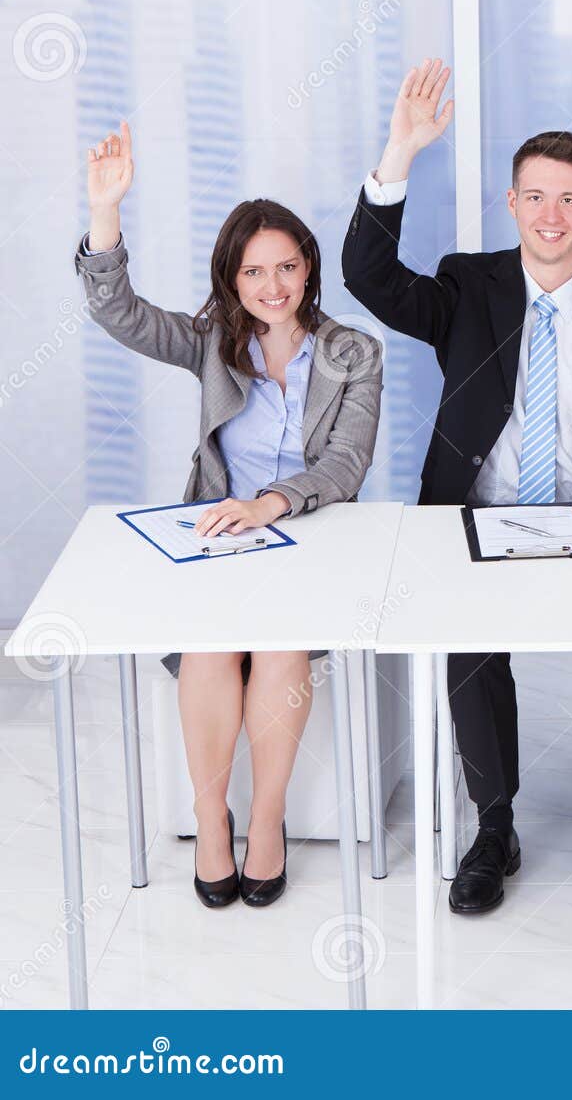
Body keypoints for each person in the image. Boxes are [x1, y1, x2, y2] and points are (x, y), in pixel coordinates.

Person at [342, 60, 572, 913]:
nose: (550, 214)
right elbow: (368, 279)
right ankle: (494, 825)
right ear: (512, 203)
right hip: (479, 516)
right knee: (469, 642)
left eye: (568, 199)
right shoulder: (467, 287)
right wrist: (399, 153)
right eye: (535, 197)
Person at [75, 122, 383, 909]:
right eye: (253, 271)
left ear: (309, 268)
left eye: (287, 266)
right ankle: (213, 817)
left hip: (308, 540)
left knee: (280, 645)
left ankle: (267, 819)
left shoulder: (353, 352)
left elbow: (345, 464)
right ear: (231, 279)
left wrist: (269, 504)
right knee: (210, 645)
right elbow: (121, 314)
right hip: (216, 545)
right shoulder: (212, 341)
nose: (273, 285)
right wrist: (106, 212)